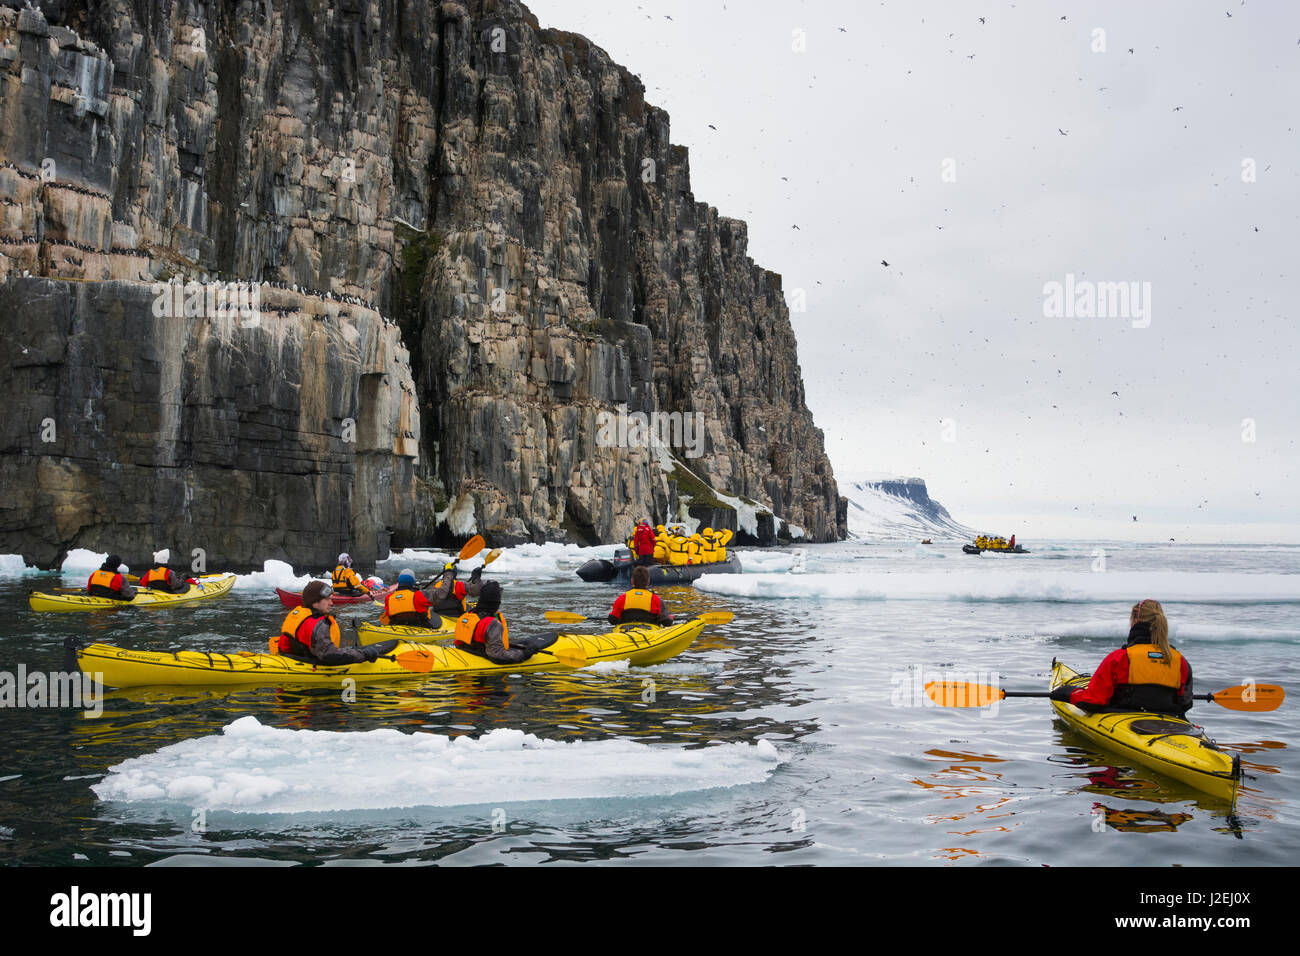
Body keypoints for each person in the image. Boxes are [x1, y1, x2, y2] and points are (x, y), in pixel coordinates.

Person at [1050, 599, 1193, 716]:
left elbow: (1093, 701)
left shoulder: (1119, 658)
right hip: (1168, 722)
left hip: (1121, 717)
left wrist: (1068, 693)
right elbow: (1185, 704)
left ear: (1134, 621)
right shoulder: (1180, 662)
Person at [278, 581, 397, 664]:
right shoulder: (316, 625)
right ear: (315, 603)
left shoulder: (297, 614)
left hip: (292, 658)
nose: (331, 603)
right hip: (313, 664)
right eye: (327, 599)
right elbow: (330, 655)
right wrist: (363, 655)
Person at [452, 581, 550, 664]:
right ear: (496, 603)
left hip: (466, 652)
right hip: (484, 662)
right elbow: (496, 655)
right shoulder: (493, 624)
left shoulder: (467, 616)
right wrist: (524, 654)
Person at [608, 565, 674, 626]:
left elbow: (613, 620)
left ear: (632, 581)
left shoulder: (622, 598)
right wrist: (671, 617)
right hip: (650, 634)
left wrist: (610, 615)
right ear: (648, 582)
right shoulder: (656, 599)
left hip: (625, 633)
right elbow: (666, 622)